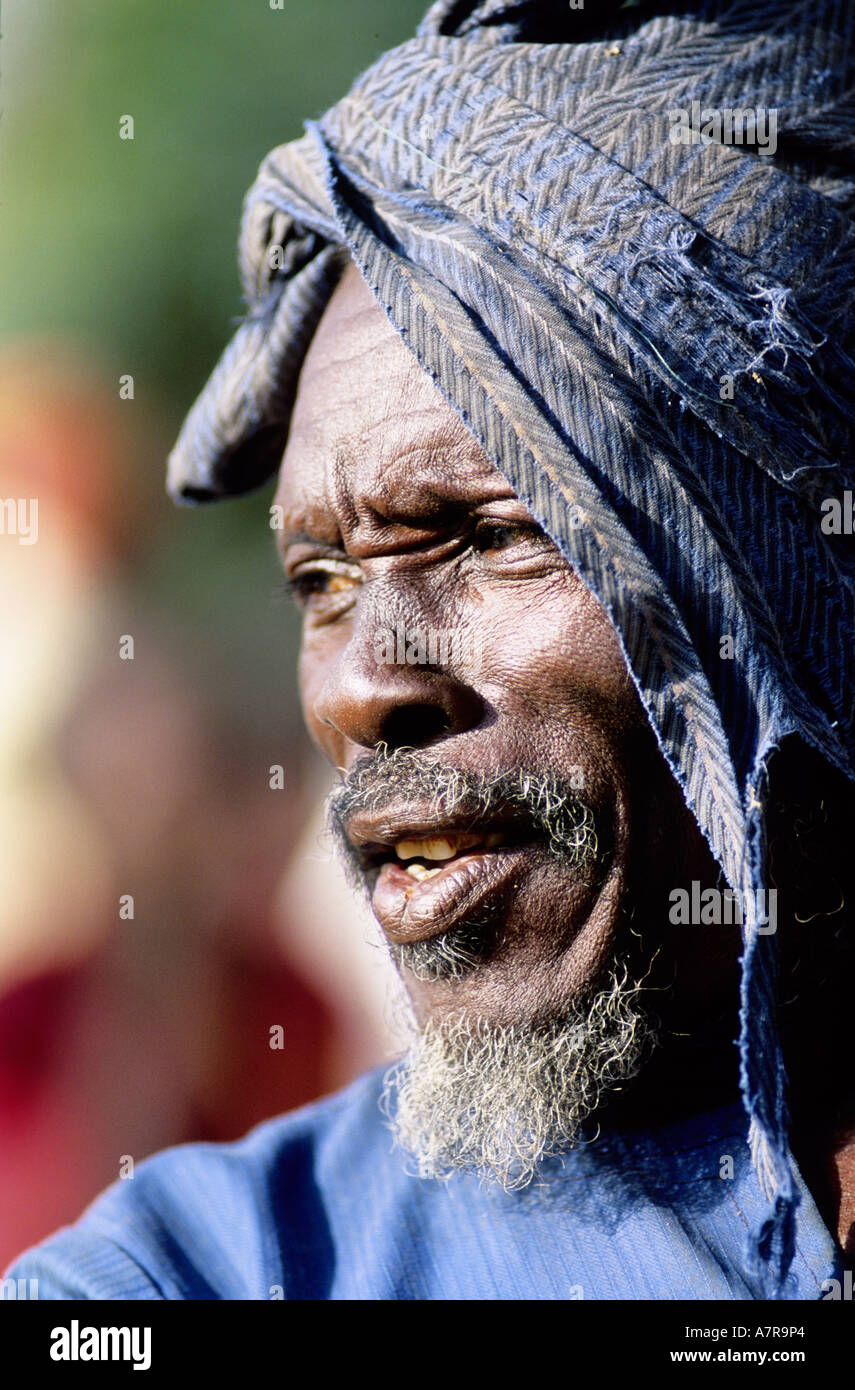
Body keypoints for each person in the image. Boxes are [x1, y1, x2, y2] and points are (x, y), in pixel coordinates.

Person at [5, 0, 855, 1300]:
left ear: (789, 567)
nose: (358, 687)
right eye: (320, 580)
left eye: (484, 535)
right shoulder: (187, 1281)